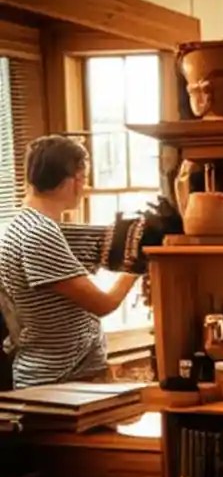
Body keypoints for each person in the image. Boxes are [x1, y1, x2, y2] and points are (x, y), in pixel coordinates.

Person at [0, 136, 139, 390]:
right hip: (62, 379)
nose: (84, 187)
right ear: (73, 180)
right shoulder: (40, 234)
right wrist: (136, 265)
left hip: (49, 374)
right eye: (83, 178)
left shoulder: (19, 226)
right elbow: (102, 304)